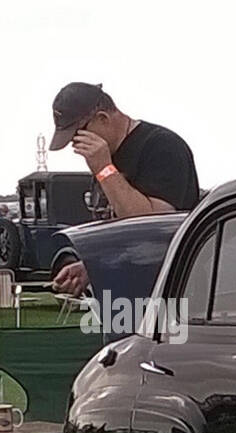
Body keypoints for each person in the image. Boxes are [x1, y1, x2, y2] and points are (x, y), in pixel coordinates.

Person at [48, 82, 200, 295]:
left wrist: (104, 168)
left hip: (165, 296)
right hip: (123, 297)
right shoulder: (105, 159)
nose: (77, 145)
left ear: (103, 118)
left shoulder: (163, 147)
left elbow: (150, 227)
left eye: (79, 134)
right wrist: (91, 268)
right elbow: (120, 236)